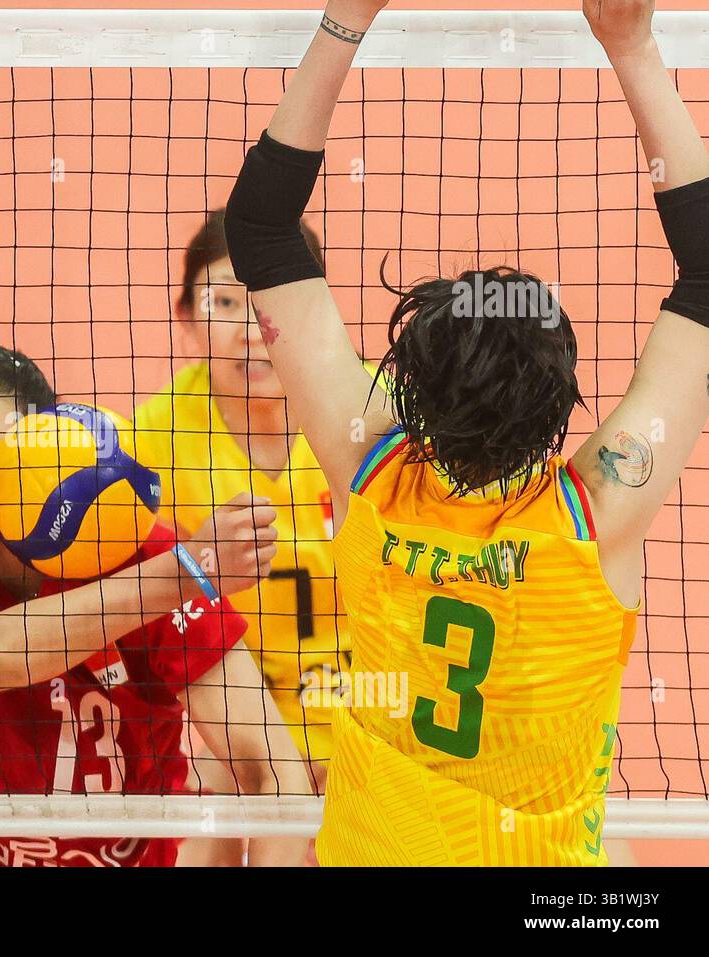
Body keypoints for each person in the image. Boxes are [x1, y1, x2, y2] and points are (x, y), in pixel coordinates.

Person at [223, 0, 709, 865]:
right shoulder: (596, 510)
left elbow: (261, 228)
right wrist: (631, 42)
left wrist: (348, 16)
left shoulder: (368, 464)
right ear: (563, 404)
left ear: (408, 389)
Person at [0, 345, 310, 867]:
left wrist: (182, 570)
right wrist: (190, 572)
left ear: (34, 435)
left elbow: (272, 771)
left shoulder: (144, 555)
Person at [133, 211, 344, 865]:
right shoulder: (150, 442)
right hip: (231, 704)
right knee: (204, 835)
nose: (254, 332)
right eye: (225, 301)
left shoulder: (371, 412)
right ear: (187, 316)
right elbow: (136, 602)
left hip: (367, 698)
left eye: (272, 302)